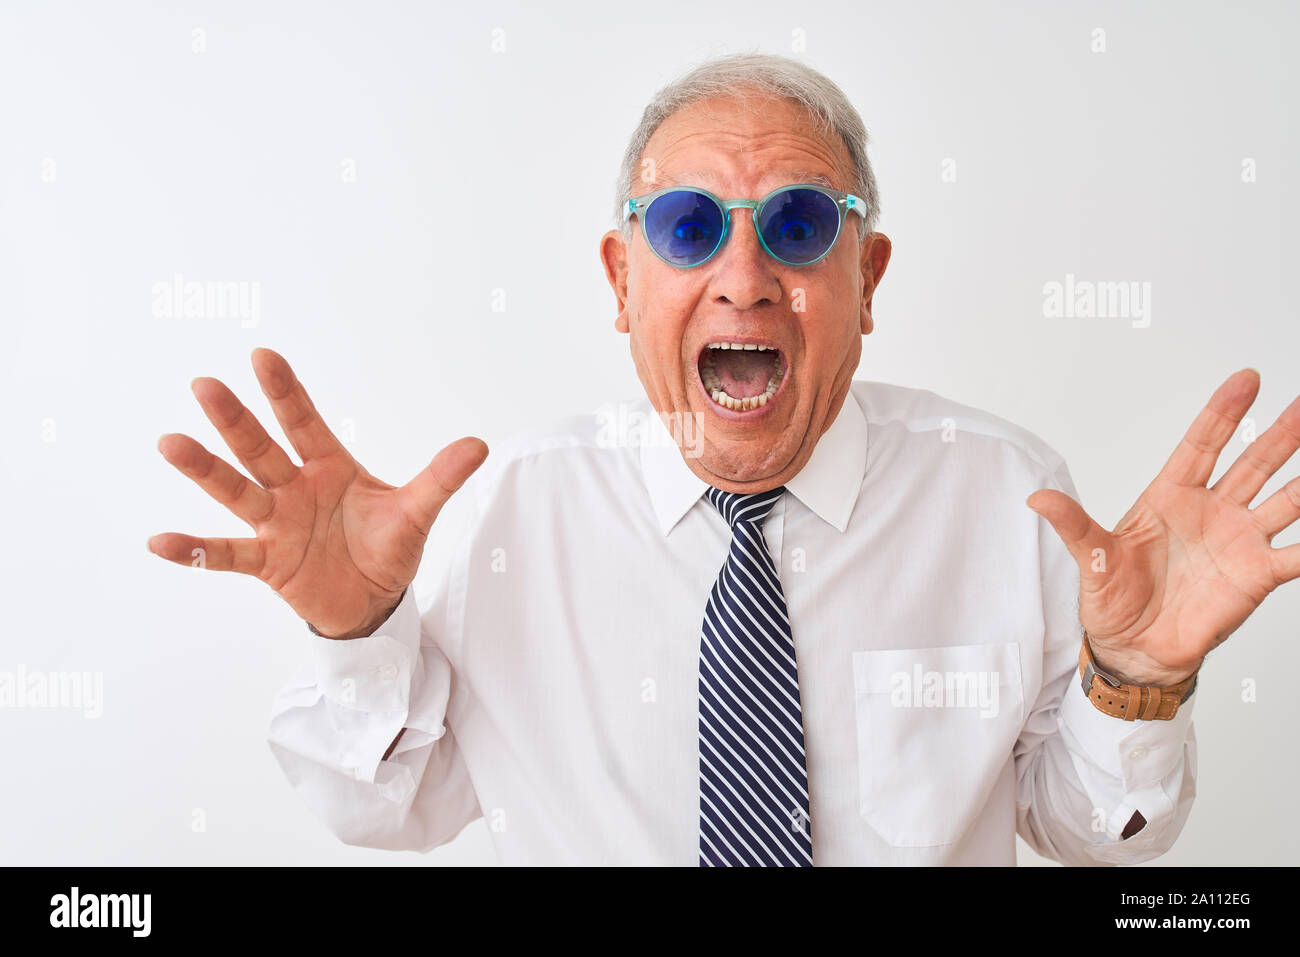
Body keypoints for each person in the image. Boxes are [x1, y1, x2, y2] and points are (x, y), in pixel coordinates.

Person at [148, 53, 1300, 866]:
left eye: (797, 225)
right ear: (621, 280)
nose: (743, 278)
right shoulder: (511, 518)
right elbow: (384, 812)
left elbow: (1090, 835)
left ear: (867, 278)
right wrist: (357, 636)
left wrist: (1136, 685)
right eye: (689, 228)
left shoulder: (1005, 495)